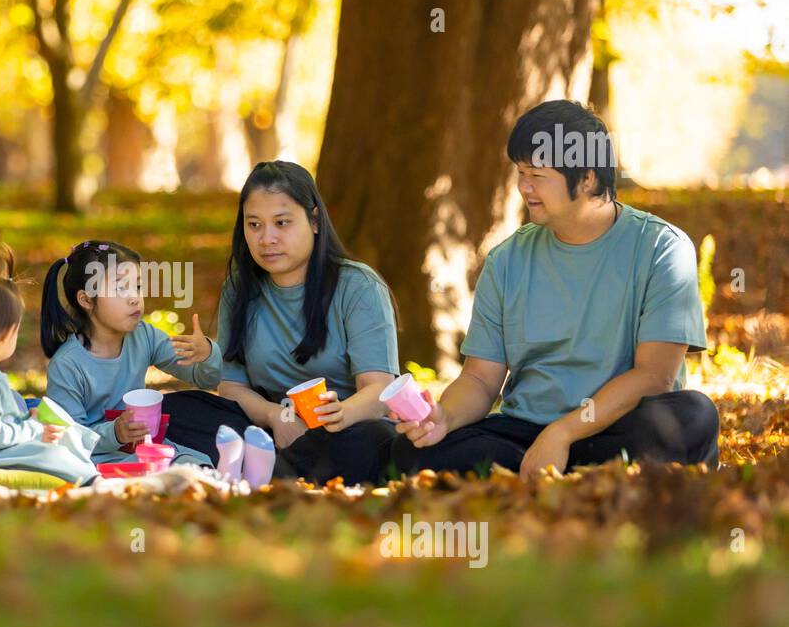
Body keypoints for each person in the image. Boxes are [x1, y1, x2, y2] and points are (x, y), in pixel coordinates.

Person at [389, 100, 719, 479]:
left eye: (536, 175)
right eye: (519, 172)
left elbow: (654, 376)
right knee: (410, 452)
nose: (523, 187)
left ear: (588, 178)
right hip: (525, 434)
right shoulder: (507, 260)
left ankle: (566, 473)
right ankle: (578, 477)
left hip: (615, 427)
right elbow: (480, 378)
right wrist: (444, 417)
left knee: (694, 416)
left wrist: (563, 434)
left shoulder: (661, 248)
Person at [161, 161, 402, 485]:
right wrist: (278, 417)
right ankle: (265, 466)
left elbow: (378, 388)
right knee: (173, 410)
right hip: (269, 427)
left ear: (314, 220)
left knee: (374, 440)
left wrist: (337, 416)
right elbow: (232, 387)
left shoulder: (358, 286)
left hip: (342, 428)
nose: (267, 238)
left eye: (282, 223)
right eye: (255, 225)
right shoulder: (241, 287)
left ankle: (257, 470)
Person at [42, 239, 222, 467]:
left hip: (147, 452)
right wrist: (115, 433)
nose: (135, 297)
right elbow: (68, 439)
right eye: (120, 288)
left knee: (199, 466)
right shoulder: (67, 365)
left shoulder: (144, 336)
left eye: (137, 287)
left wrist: (206, 354)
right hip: (94, 464)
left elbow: (206, 378)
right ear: (86, 299)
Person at [0, 239, 99, 483]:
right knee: (49, 453)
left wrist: (27, 419)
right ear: (3, 334)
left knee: (60, 433)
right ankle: (91, 480)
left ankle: (89, 469)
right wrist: (33, 429)